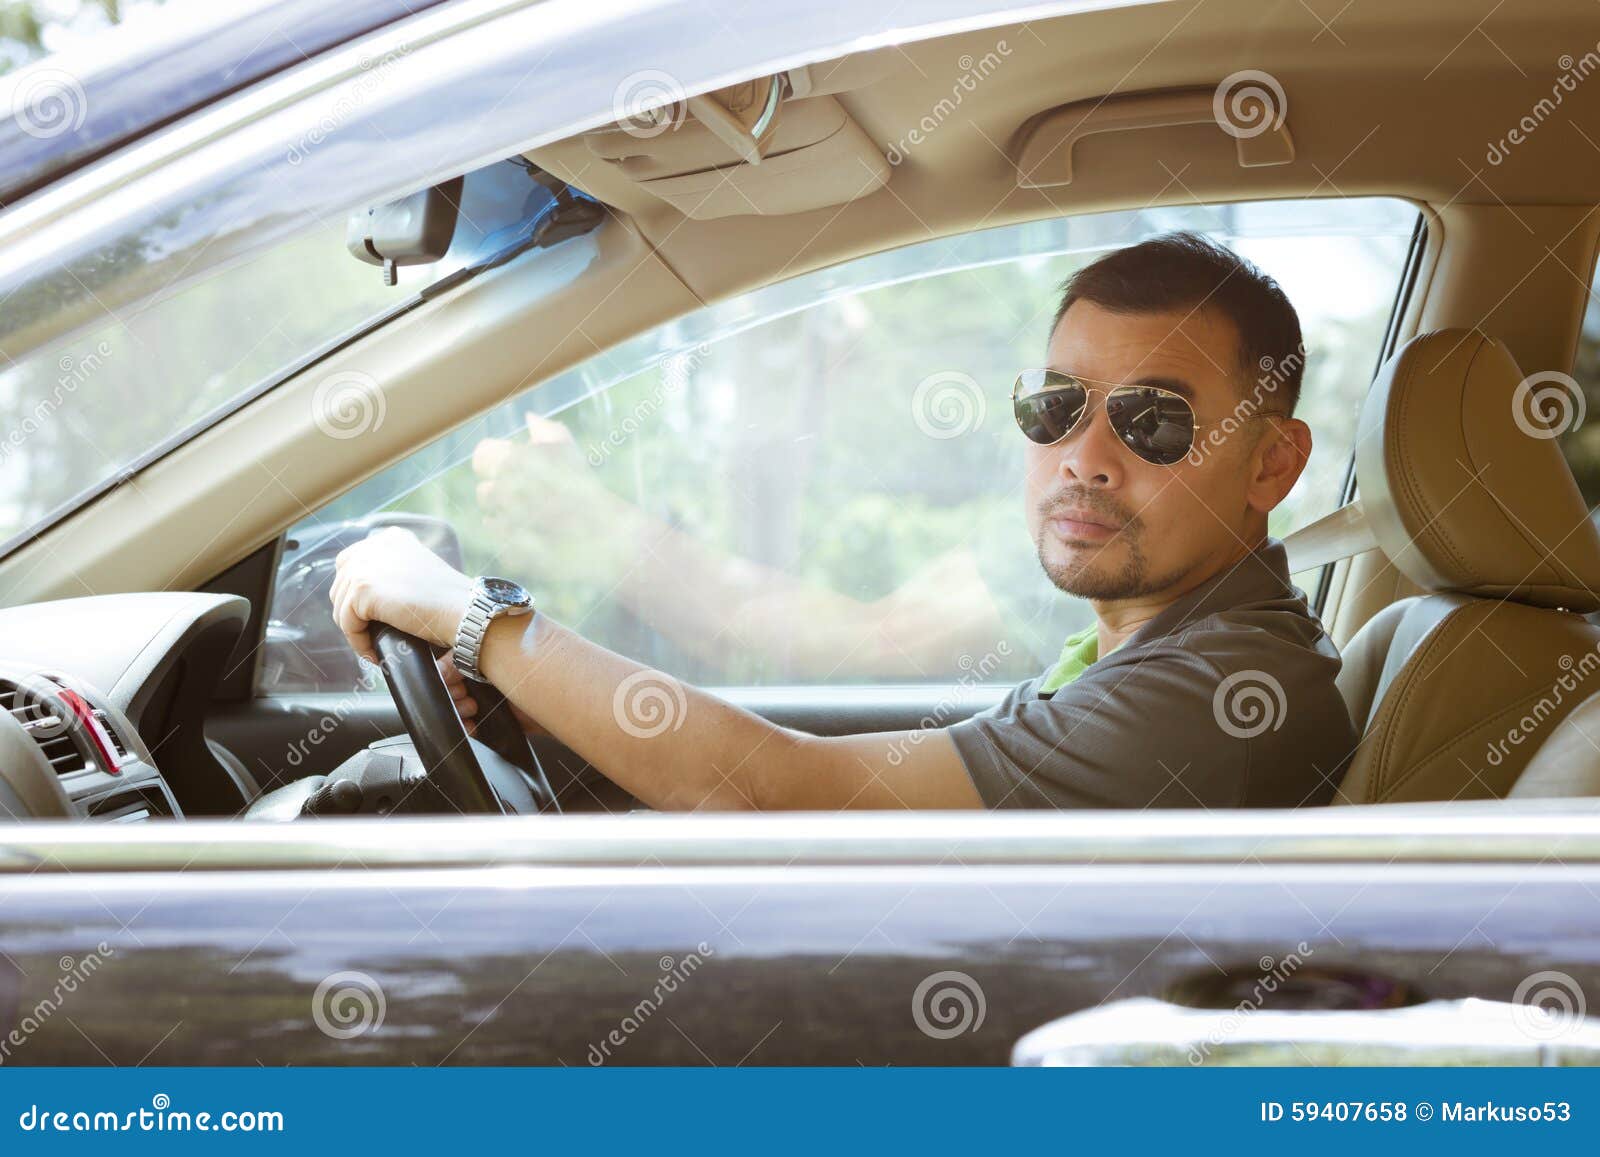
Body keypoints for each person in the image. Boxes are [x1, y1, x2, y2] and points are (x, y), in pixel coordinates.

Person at [330, 232, 1358, 810]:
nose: (1084, 456)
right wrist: (539, 701)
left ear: (1272, 462)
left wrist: (481, 621)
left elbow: (781, 789)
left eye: (1153, 420)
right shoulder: (1139, 647)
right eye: (1055, 405)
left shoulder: (1219, 694)